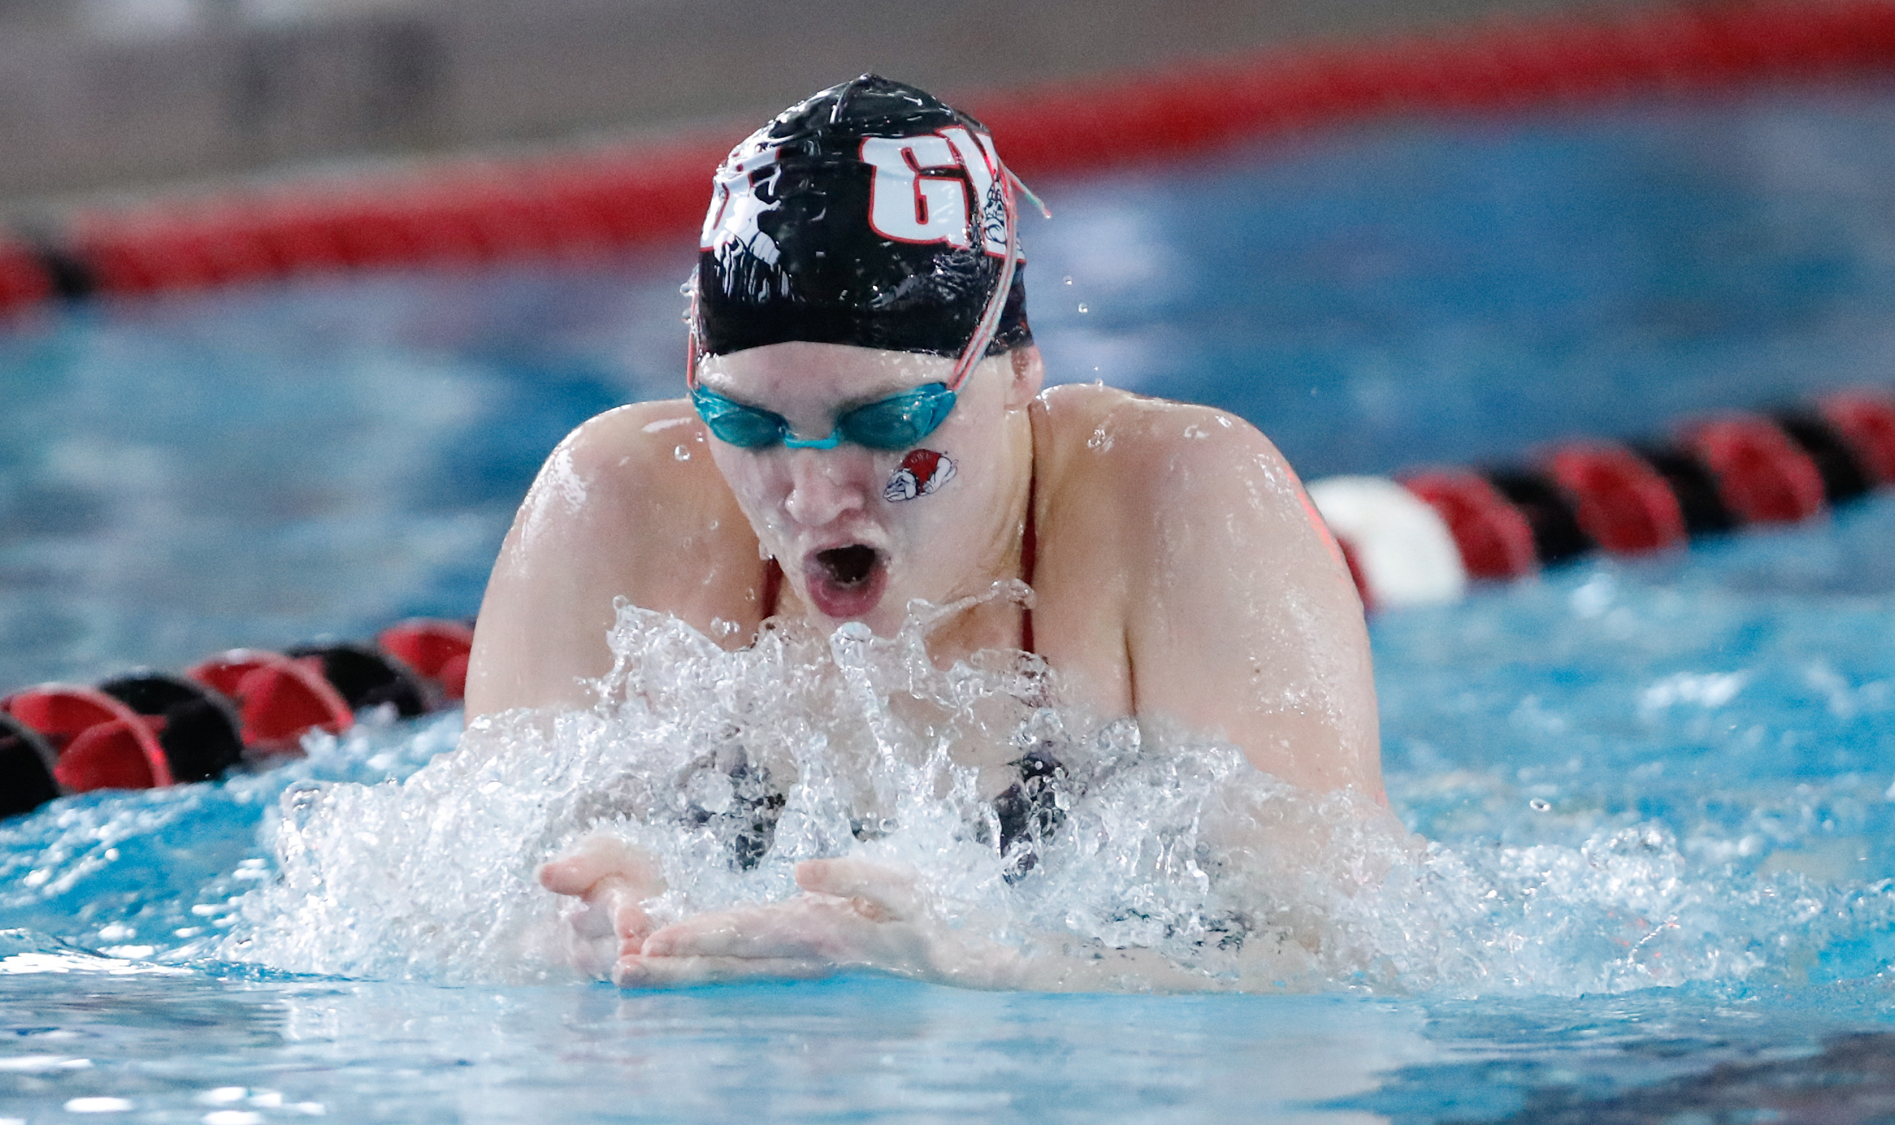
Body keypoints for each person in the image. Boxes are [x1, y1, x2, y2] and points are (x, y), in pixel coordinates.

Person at [465, 75, 1385, 989]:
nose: (812, 497)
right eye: (748, 422)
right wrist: (568, 936)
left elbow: (1345, 956)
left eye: (887, 419)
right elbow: (454, 919)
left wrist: (997, 971)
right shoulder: (611, 503)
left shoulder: (1182, 503)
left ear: (1018, 365)